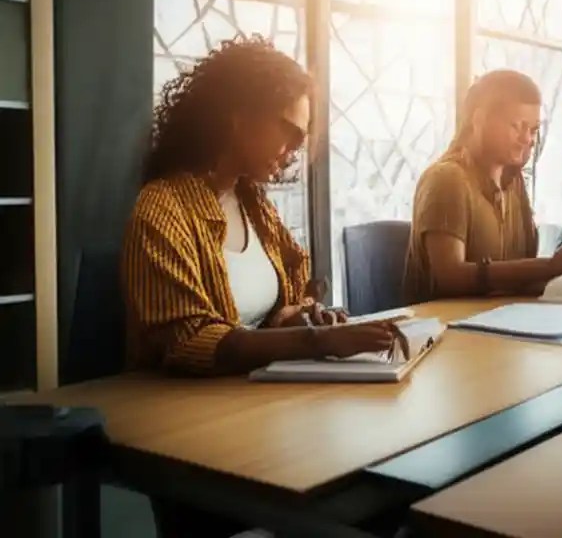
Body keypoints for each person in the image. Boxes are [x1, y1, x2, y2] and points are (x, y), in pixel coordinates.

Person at [122, 36, 407, 538]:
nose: (296, 148)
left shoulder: (253, 204)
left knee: (385, 486)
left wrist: (299, 316)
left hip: (264, 413)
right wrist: (316, 341)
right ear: (238, 116)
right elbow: (190, 340)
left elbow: (282, 304)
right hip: (200, 438)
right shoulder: (162, 207)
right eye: (289, 131)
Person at [405, 70, 562, 300]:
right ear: (479, 119)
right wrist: (549, 266)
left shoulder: (514, 181)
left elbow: (519, 276)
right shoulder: (447, 179)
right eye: (517, 126)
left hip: (502, 318)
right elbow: (450, 277)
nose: (527, 140)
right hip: (446, 328)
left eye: (533, 130)